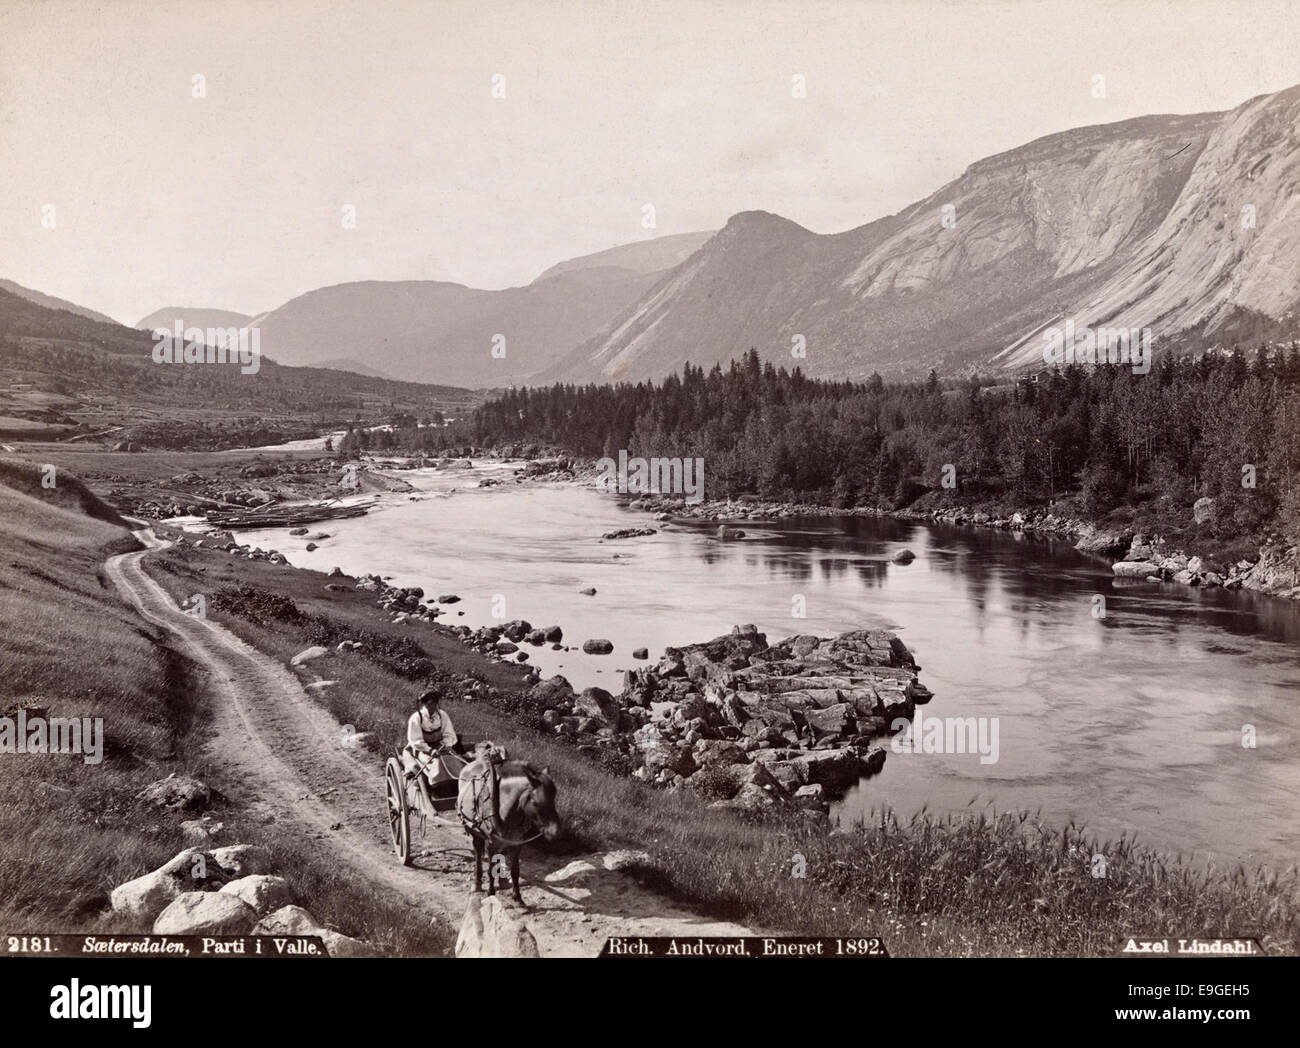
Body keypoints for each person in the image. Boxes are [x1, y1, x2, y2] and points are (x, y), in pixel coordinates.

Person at [403, 688, 459, 787]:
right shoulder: (416, 718)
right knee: (435, 762)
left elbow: (449, 733)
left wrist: (446, 745)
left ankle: (455, 782)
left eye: (434, 703)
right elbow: (416, 741)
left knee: (453, 759)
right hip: (421, 750)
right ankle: (437, 786)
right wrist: (430, 750)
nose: (432, 706)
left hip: (439, 747)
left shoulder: (442, 716)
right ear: (423, 704)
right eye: (429, 704)